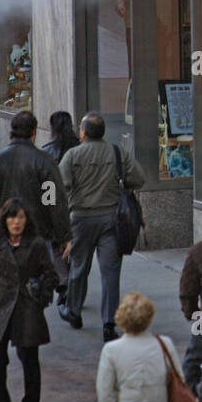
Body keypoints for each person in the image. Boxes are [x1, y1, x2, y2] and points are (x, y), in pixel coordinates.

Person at [58, 112, 145, 341]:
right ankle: (109, 324)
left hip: (81, 219)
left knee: (78, 267)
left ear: (83, 132)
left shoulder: (72, 155)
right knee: (110, 273)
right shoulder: (117, 152)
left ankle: (73, 311)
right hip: (110, 220)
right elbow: (139, 178)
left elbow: (61, 186)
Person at [0, 198, 58, 402]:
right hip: (2, 308)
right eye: (12, 217)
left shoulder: (36, 244)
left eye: (20, 217)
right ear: (5, 220)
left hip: (27, 307)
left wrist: (40, 296)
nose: (16, 222)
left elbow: (51, 275)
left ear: (26, 220)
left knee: (29, 360)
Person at [0, 111, 71, 298]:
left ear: (11, 132)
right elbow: (53, 201)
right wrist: (62, 235)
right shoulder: (44, 162)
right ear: (34, 133)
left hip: (5, 233)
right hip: (37, 233)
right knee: (35, 286)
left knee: (8, 285)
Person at [41, 111, 80, 305]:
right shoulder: (80, 148)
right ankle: (72, 282)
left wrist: (47, 207)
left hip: (56, 206)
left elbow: (46, 186)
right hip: (78, 205)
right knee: (77, 249)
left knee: (57, 247)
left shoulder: (47, 152)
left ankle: (64, 281)